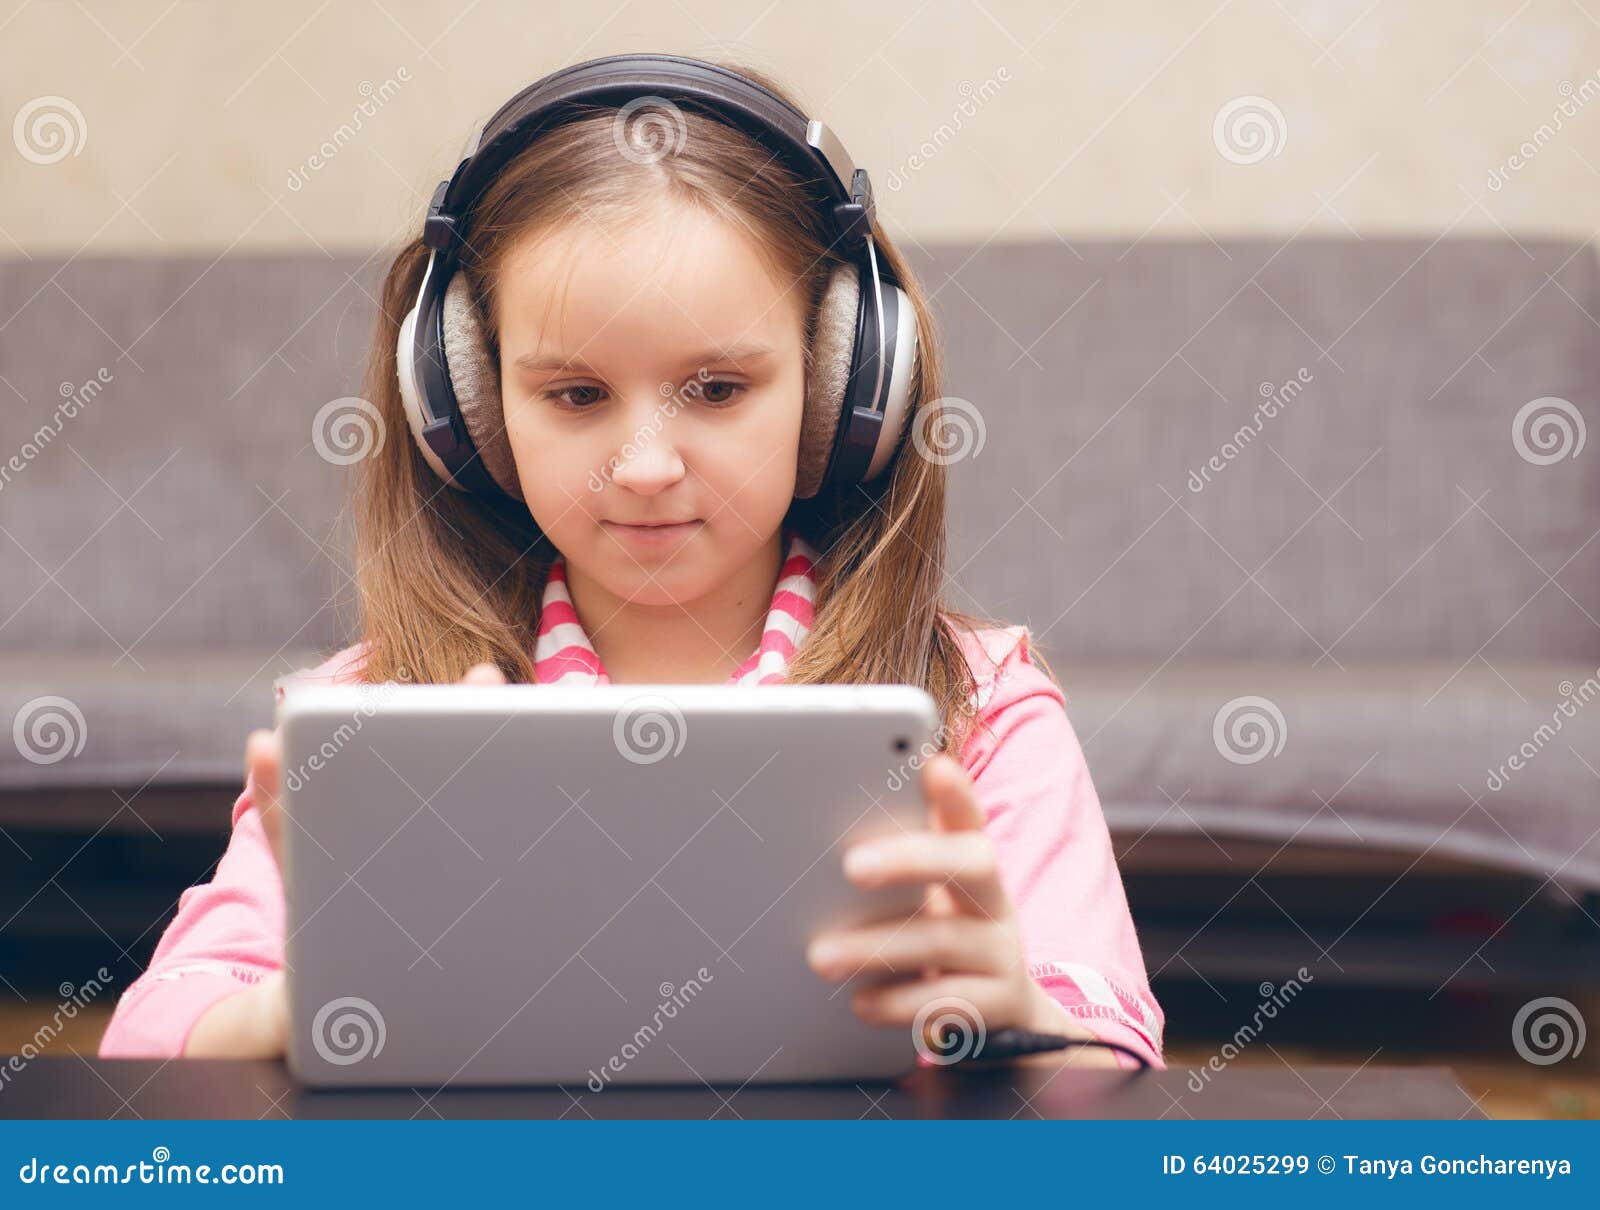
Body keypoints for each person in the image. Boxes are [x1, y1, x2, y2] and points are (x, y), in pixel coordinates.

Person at [99, 54, 1164, 1072]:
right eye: (575, 396)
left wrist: (1022, 1016)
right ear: (465, 412)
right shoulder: (372, 717)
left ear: (842, 397)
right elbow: (150, 1034)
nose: (644, 466)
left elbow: (1110, 1045)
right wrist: (303, 1004)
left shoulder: (978, 712)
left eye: (715, 389)